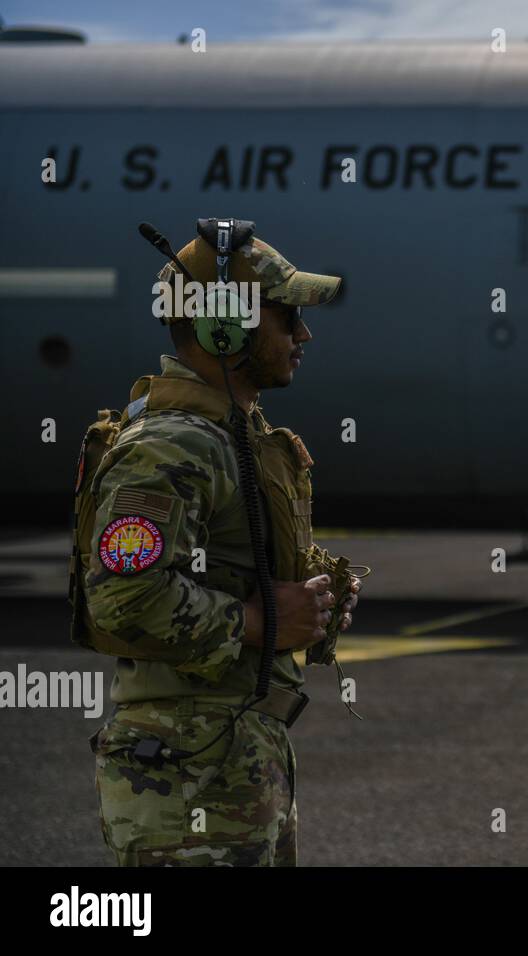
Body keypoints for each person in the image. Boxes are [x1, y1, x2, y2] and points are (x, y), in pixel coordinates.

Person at [75, 220, 362, 865]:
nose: (303, 335)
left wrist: (308, 611)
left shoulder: (228, 434)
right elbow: (123, 598)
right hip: (185, 768)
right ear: (221, 328)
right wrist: (261, 620)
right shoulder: (172, 445)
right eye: (285, 317)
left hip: (226, 751)